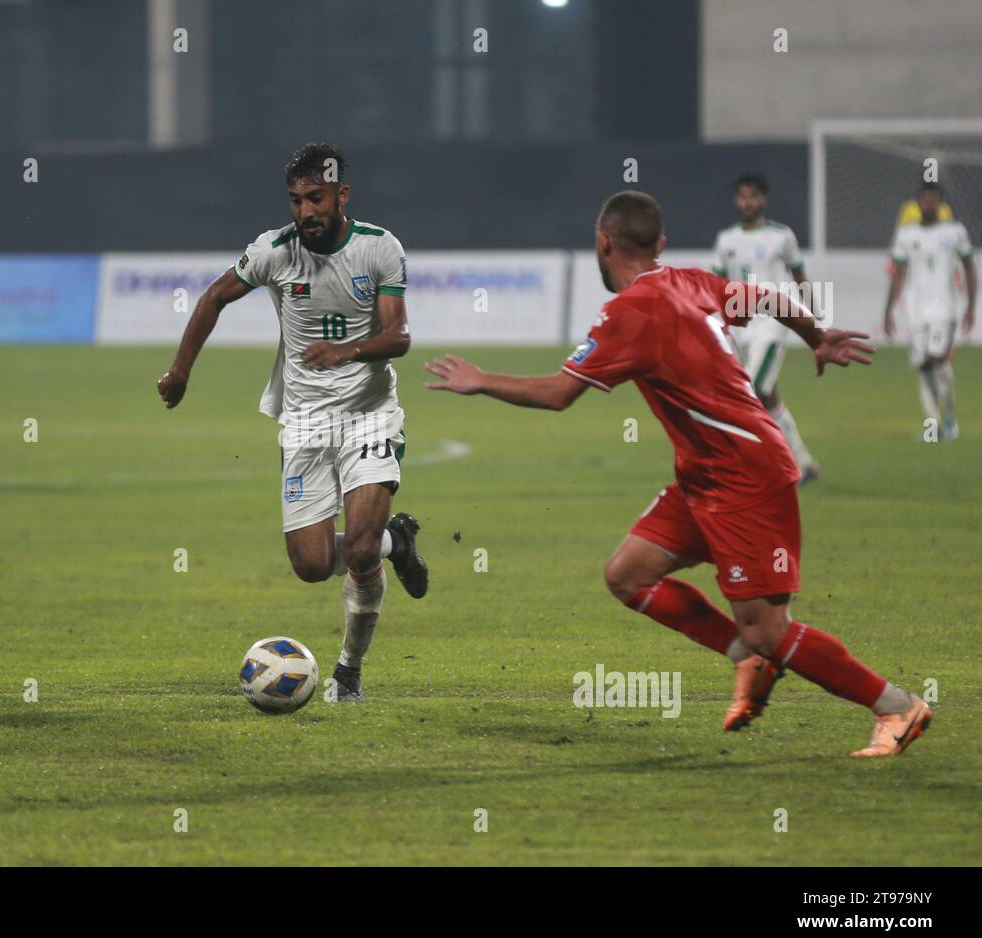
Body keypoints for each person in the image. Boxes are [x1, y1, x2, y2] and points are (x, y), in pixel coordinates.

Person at [425, 190, 930, 758]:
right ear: (660, 244)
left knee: (770, 627)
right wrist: (816, 336)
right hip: (705, 477)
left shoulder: (629, 312)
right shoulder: (692, 281)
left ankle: (895, 705)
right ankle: (747, 659)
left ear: (603, 243)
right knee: (629, 574)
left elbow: (560, 394)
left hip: (745, 476)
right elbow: (766, 296)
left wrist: (480, 378)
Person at [157, 143, 429, 704]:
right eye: (296, 200)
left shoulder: (380, 247)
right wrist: (180, 371)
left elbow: (399, 337)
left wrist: (346, 352)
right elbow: (213, 297)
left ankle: (349, 671)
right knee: (310, 565)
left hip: (368, 416)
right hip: (304, 423)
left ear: (341, 195)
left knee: (354, 552)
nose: (305, 211)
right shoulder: (274, 251)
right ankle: (393, 543)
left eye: (316, 198)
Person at [711, 173, 819, 482]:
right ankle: (804, 461)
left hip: (771, 324)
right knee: (768, 397)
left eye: (753, 196)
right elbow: (715, 285)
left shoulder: (781, 237)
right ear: (736, 200)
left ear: (764, 200)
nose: (748, 202)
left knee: (752, 391)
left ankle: (776, 468)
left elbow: (800, 277)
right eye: (742, 196)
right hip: (738, 328)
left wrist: (813, 321)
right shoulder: (726, 240)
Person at [884, 182, 975, 440]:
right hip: (916, 311)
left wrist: (970, 306)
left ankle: (950, 419)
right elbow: (897, 275)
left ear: (941, 203)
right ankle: (933, 425)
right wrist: (888, 310)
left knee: (938, 359)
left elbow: (969, 267)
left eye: (934, 199)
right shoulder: (906, 235)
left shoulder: (955, 231)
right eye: (924, 199)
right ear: (917, 203)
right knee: (923, 365)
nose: (929, 203)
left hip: (945, 308)